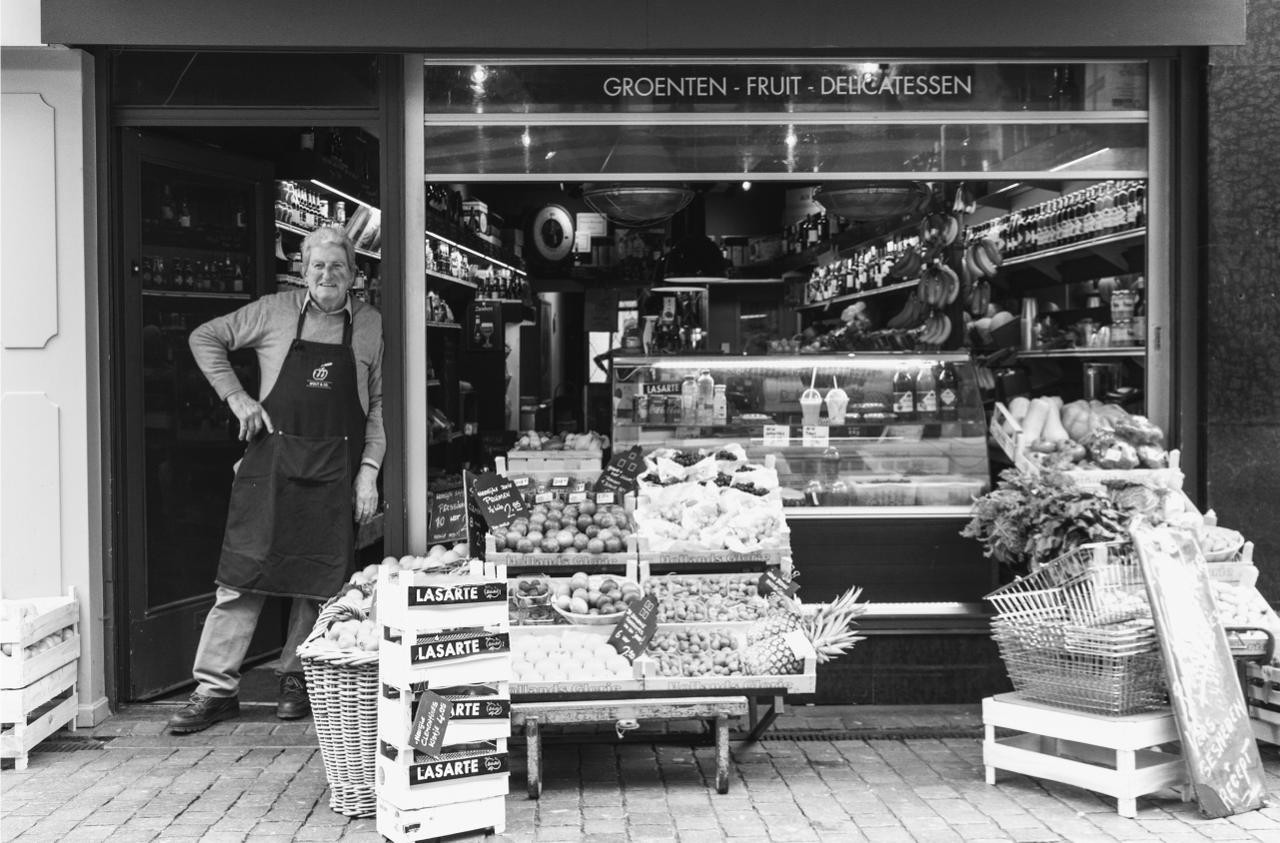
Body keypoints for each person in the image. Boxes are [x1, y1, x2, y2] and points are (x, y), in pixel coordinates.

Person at [167, 226, 384, 734]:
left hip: (335, 471)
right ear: (303, 270)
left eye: (338, 266)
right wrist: (236, 397)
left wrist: (369, 472)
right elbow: (205, 337)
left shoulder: (371, 324)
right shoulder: (272, 310)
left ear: (354, 275)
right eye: (317, 266)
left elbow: (376, 409)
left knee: (318, 584)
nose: (327, 275)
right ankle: (214, 689)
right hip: (270, 465)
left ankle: (296, 676)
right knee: (241, 578)